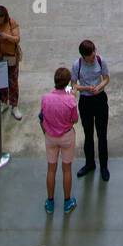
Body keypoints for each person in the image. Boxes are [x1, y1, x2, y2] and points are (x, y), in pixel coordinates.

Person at [39, 66, 79, 215]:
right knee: (66, 169)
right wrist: (73, 97)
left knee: (51, 169)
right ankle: (67, 201)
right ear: (68, 82)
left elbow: (42, 116)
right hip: (67, 136)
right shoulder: (71, 100)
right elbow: (74, 119)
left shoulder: (46, 98)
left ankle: (50, 202)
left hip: (50, 137)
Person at [71, 40, 110, 181]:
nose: (93, 55)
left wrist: (99, 87)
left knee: (102, 134)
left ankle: (104, 166)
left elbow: (106, 78)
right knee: (88, 134)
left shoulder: (100, 60)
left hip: (99, 99)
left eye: (94, 51)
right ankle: (89, 163)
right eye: (90, 54)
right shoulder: (77, 65)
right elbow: (73, 85)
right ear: (83, 56)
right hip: (86, 101)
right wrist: (86, 88)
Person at [0, 5, 22, 121]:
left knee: (13, 81)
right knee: (1, 82)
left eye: (1, 19)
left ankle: (14, 105)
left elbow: (17, 38)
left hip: (11, 56)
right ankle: (3, 102)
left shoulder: (11, 22)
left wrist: (6, 36)